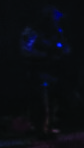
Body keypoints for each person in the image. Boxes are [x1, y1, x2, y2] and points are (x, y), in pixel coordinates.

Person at [18, 7, 67, 139]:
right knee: (40, 100)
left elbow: (60, 47)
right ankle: (40, 128)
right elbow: (25, 50)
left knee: (51, 99)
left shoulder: (54, 31)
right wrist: (45, 55)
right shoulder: (32, 31)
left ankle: (49, 126)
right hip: (36, 69)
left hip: (51, 70)